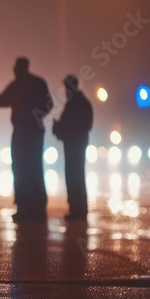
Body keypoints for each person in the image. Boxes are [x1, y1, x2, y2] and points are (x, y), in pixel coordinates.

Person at [0, 57, 53, 222]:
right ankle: (32, 207)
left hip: (27, 132)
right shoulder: (34, 83)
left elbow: (0, 101)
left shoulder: (21, 84)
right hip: (29, 131)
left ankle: (28, 206)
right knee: (30, 168)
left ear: (21, 68)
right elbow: (48, 104)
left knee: (23, 168)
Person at [52, 75, 93, 221]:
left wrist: (60, 128)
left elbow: (80, 125)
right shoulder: (80, 102)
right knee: (76, 175)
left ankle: (77, 208)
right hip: (75, 144)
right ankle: (77, 207)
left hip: (74, 144)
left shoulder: (76, 104)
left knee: (74, 176)